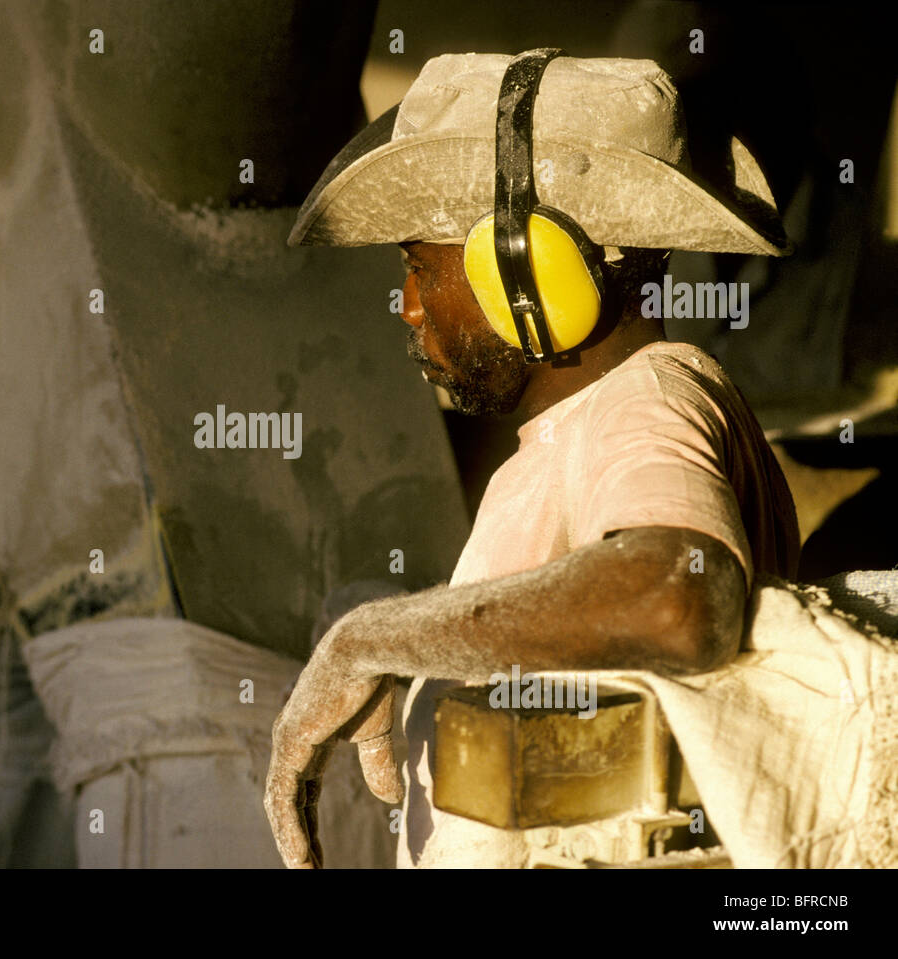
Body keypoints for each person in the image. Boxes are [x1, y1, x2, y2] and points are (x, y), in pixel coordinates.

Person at [264, 50, 801, 868]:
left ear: (524, 268)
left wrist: (370, 639)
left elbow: (680, 597)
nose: (406, 305)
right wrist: (394, 625)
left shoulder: (647, 398)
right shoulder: (586, 426)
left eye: (417, 265)